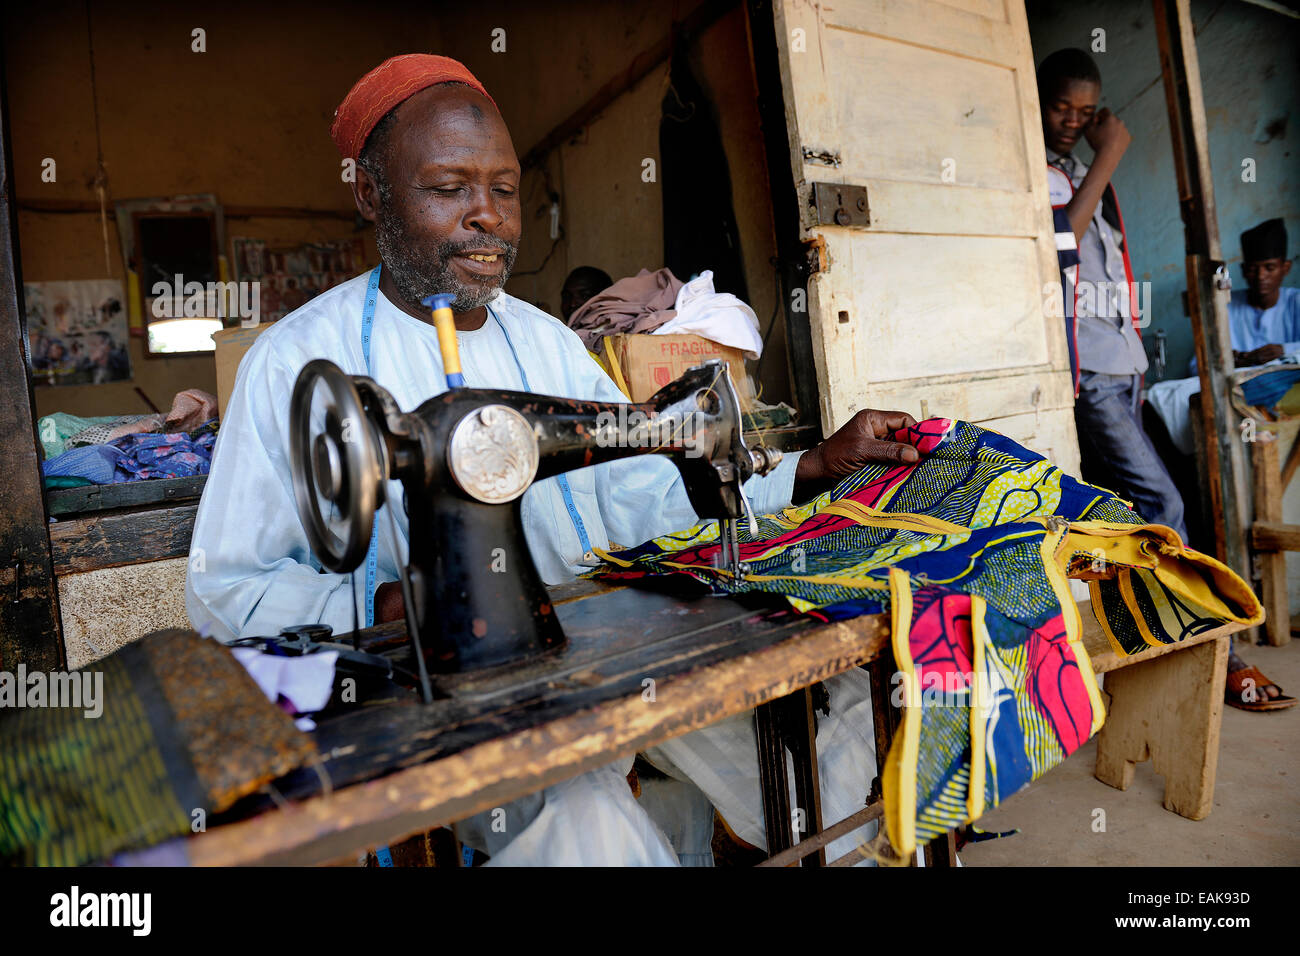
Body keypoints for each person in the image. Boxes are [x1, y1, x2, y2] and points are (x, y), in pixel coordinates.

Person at [185, 54, 921, 864]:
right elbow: (229, 591)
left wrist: (808, 467)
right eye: (448, 188)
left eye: (504, 190)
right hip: (465, 698)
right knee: (586, 832)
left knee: (850, 714)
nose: (488, 217)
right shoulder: (296, 365)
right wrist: (381, 604)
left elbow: (648, 493)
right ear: (369, 192)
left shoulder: (542, 338)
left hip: (610, 655)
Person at [1039, 49, 1187, 542]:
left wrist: (1098, 160)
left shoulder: (1081, 172)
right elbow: (1061, 245)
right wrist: (1110, 153)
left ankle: (1134, 609)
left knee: (1120, 502)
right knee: (1162, 500)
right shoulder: (1033, 173)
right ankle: (1182, 612)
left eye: (1085, 112)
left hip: (1125, 361)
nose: (1073, 121)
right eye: (1062, 107)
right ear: (1038, 100)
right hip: (1092, 369)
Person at [1224, 218, 1299, 367]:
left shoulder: (1296, 301)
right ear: (1244, 270)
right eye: (1253, 269)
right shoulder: (1226, 306)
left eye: (1269, 268)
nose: (1260, 276)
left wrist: (1283, 350)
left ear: (1286, 268)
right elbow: (1197, 365)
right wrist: (1232, 361)